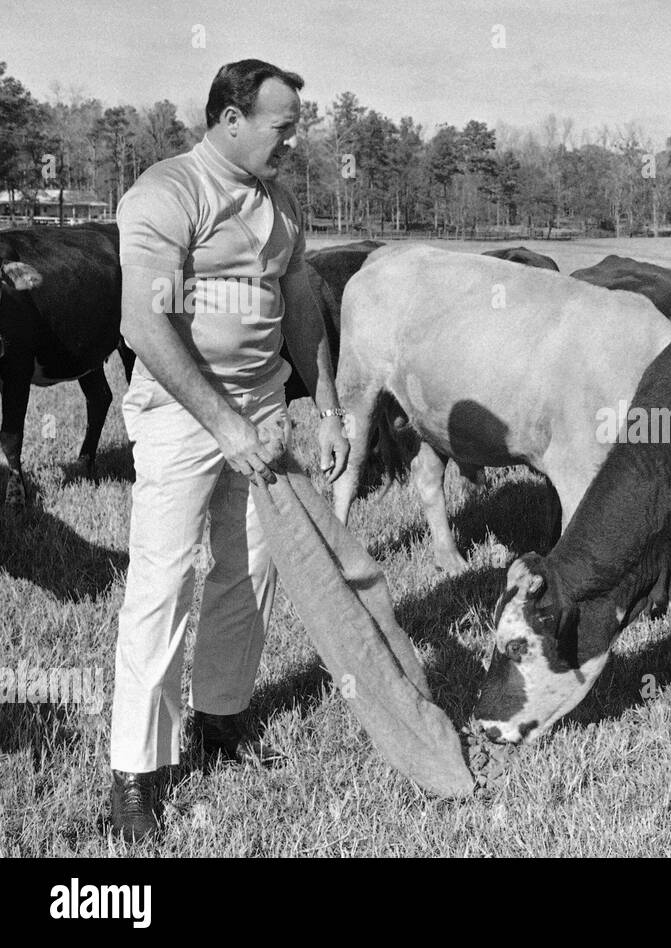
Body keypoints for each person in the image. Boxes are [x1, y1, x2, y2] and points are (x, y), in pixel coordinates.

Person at [109, 59, 350, 842]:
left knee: (249, 569)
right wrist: (223, 424)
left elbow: (301, 303)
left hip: (261, 410)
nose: (293, 140)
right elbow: (146, 326)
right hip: (185, 413)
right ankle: (137, 776)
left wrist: (328, 408)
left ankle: (220, 721)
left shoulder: (277, 201)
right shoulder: (167, 192)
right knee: (165, 578)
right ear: (230, 118)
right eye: (283, 125)